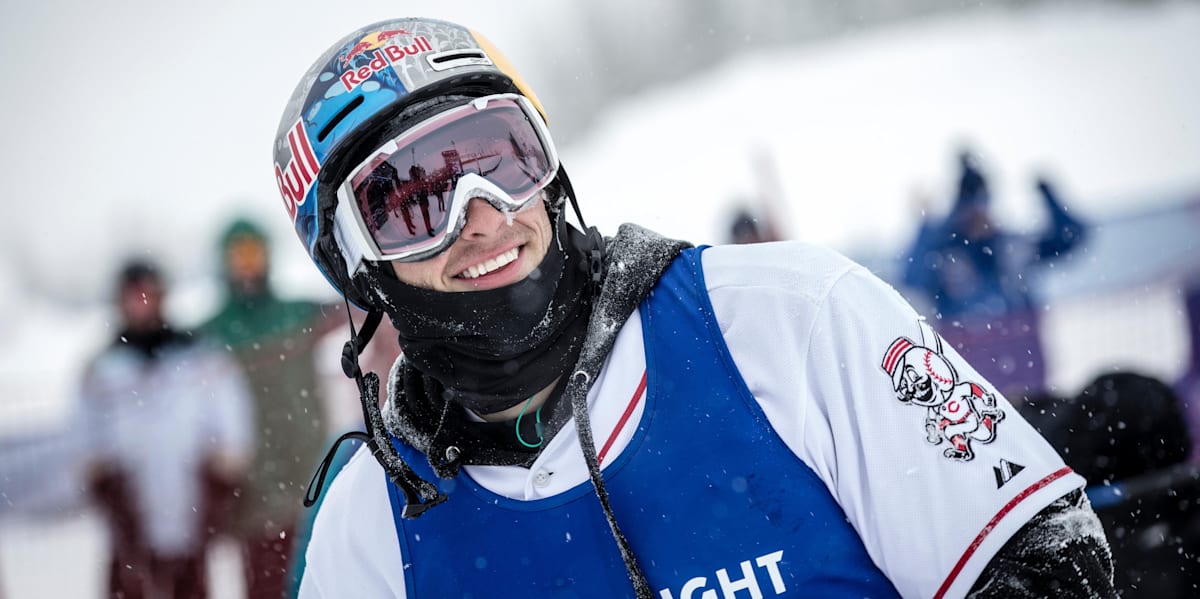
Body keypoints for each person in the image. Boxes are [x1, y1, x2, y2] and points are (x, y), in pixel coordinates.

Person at [272, 18, 1114, 598]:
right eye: (415, 200)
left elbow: (1044, 559)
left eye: (503, 156)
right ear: (357, 266)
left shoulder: (788, 321)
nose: (485, 215)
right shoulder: (370, 523)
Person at [76, 259, 253, 598]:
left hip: (190, 519)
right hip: (131, 529)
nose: (141, 303)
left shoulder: (199, 356)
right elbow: (85, 441)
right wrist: (110, 494)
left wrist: (219, 487)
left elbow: (232, 424)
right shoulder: (102, 370)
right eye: (133, 295)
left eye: (148, 294)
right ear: (120, 301)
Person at [199, 219, 345, 598]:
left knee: (327, 579)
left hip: (311, 479)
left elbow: (358, 307)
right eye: (238, 256)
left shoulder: (298, 314)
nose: (247, 265)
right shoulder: (211, 336)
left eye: (254, 253)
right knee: (266, 586)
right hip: (255, 493)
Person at [902, 151, 1087, 399]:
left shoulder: (1012, 246)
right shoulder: (945, 253)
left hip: (1028, 374)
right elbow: (911, 276)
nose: (979, 215)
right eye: (970, 206)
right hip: (969, 383)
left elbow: (1069, 238)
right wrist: (925, 224)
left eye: (983, 203)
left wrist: (1048, 195)